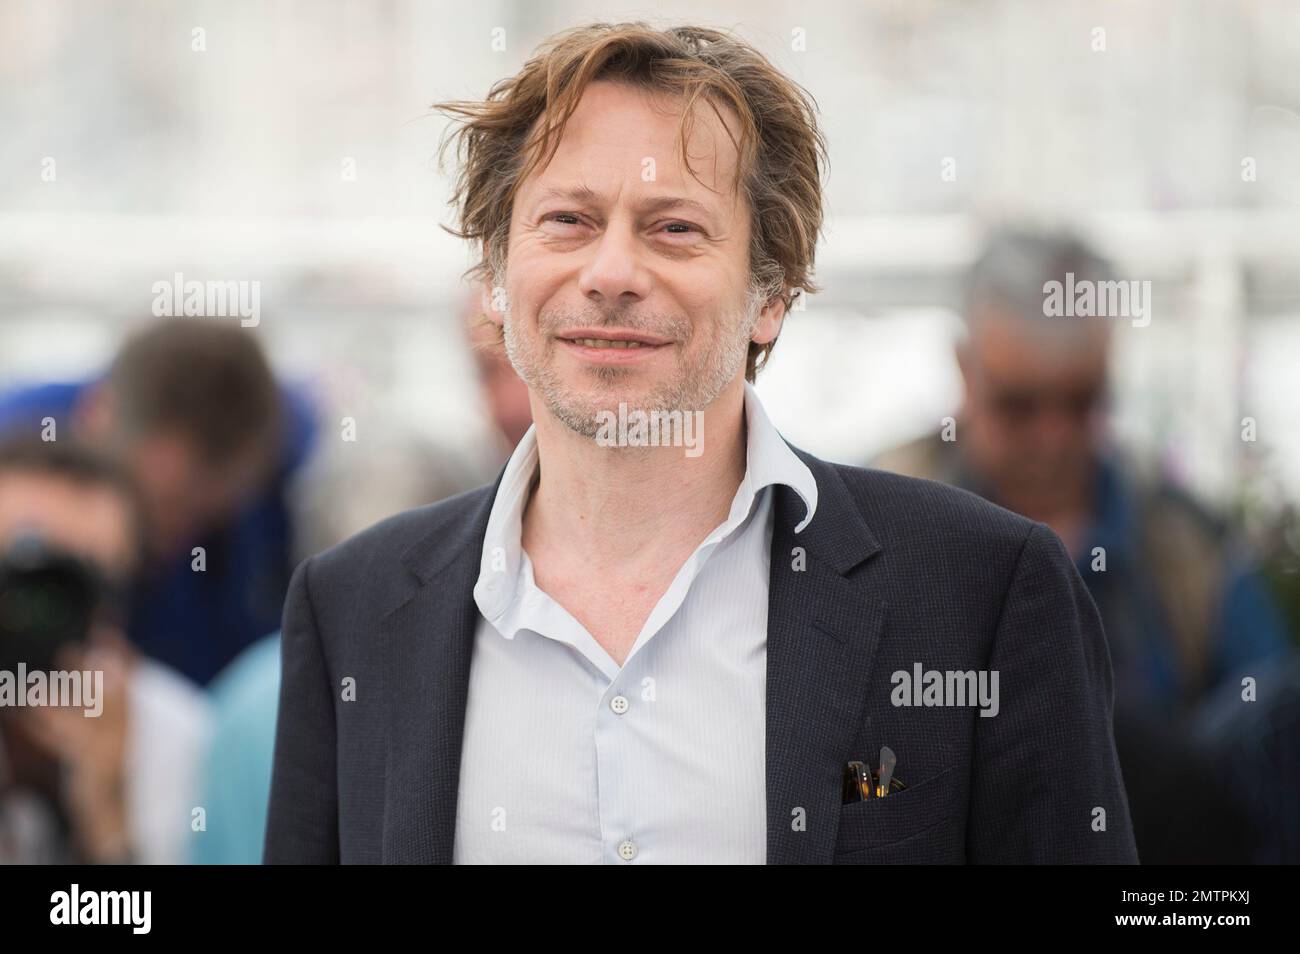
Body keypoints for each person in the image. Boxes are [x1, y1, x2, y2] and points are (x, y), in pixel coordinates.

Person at [265, 23, 1137, 864]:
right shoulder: (353, 612)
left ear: (771, 294)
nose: (610, 273)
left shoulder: (981, 593)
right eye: (567, 219)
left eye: (674, 227)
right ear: (495, 279)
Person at [874, 226, 1292, 862]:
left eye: (1081, 401)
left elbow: (1265, 739)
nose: (1053, 437)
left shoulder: (1185, 548)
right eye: (1019, 406)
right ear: (966, 369)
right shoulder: (873, 524)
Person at [0, 321, 317, 685]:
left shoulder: (269, 493)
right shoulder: (16, 440)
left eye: (205, 516)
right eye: (162, 504)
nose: (175, 535)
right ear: (96, 416)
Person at [0, 437, 210, 864]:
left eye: (78, 583)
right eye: (25, 579)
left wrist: (107, 812)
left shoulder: (182, 739)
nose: (46, 612)